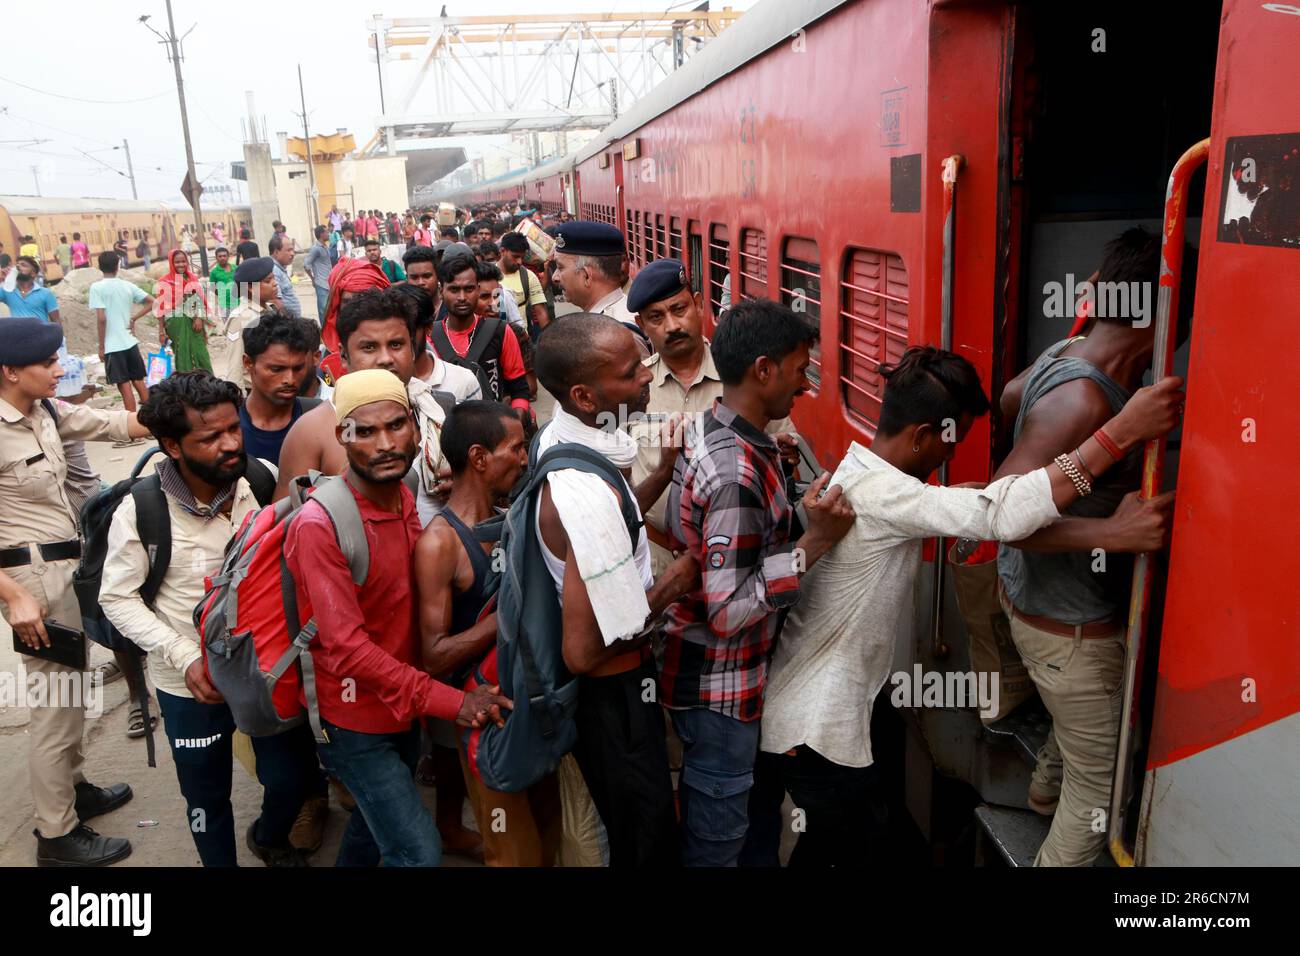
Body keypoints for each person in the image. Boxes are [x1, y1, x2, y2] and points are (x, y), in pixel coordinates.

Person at [760, 347, 1184, 866]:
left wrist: (971, 494)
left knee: (836, 844)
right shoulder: (888, 496)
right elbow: (1004, 518)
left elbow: (945, 501)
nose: (950, 453)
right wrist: (1119, 436)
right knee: (848, 848)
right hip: (816, 727)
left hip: (811, 719)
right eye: (949, 439)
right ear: (919, 435)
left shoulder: (861, 471)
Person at [994, 227, 1180, 867]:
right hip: (1070, 633)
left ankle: (1045, 787)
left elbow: (1010, 395)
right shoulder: (1085, 398)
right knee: (1098, 788)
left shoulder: (1069, 353)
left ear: (1100, 291)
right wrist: (1112, 531)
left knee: (1075, 738)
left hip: (1031, 603)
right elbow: (1001, 511)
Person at [283, 368, 511, 866]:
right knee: (417, 849)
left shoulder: (404, 494)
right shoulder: (320, 525)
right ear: (342, 437)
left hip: (402, 708)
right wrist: (453, 702)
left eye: (395, 425)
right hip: (352, 719)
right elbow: (346, 648)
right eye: (364, 431)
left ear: (415, 426)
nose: (384, 444)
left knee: (371, 828)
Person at [661, 298, 855, 867]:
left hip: (708, 679)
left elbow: (693, 533)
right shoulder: (736, 472)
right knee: (717, 848)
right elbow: (727, 612)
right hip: (720, 692)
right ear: (764, 369)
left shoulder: (716, 428)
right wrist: (813, 542)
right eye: (800, 369)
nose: (806, 383)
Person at [100, 370, 319, 867]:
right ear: (172, 446)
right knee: (206, 796)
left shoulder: (261, 480)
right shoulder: (142, 509)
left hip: (268, 672)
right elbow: (117, 599)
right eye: (211, 437)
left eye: (233, 429)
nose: (230, 445)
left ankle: (269, 836)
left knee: (291, 779)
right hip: (187, 684)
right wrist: (185, 659)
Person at [530, 313, 700, 866]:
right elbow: (581, 652)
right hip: (615, 700)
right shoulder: (585, 495)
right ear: (584, 393)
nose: (649, 377)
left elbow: (621, 521)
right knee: (645, 839)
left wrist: (666, 469)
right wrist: (672, 585)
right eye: (631, 372)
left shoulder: (565, 439)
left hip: (618, 696)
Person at [0, 318, 150, 865]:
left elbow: (113, 423)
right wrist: (14, 599)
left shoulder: (46, 411)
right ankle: (55, 834)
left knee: (71, 690)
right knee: (53, 706)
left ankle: (73, 787)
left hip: (64, 572)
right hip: (30, 581)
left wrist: (180, 416)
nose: (59, 369)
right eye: (47, 363)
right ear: (10, 371)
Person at [413, 401, 556, 866]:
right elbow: (433, 656)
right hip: (486, 718)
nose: (523, 458)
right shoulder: (440, 543)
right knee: (511, 850)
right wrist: (512, 613)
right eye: (514, 448)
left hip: (531, 703)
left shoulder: (512, 515)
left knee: (548, 833)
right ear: (478, 457)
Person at [626, 258, 799, 575]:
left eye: (679, 310)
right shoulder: (632, 390)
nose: (672, 326)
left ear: (698, 304)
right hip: (658, 556)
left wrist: (772, 450)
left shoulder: (746, 376)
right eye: (656, 317)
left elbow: (788, 455)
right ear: (641, 324)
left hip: (739, 557)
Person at [274, 287, 444, 509]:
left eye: (396, 345)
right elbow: (285, 525)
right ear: (344, 356)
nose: (385, 358)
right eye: (369, 347)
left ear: (413, 349)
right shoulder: (314, 431)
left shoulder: (435, 411)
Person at [428, 256, 530, 426]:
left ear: (477, 289)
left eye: (468, 289)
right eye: (454, 289)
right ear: (441, 292)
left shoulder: (501, 331)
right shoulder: (429, 337)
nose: (461, 297)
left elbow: (520, 390)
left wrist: (512, 427)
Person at [550, 221, 649, 357]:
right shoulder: (612, 320)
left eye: (561, 267)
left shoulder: (615, 335)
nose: (555, 277)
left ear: (586, 276)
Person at [238, 309, 319, 466]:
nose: (290, 380)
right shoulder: (228, 426)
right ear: (248, 363)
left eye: (298, 368)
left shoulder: (322, 419)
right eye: (276, 369)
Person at [89, 251, 153, 413]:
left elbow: (102, 319)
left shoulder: (97, 288)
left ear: (99, 267)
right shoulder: (127, 285)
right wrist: (134, 318)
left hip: (112, 345)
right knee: (139, 381)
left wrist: (101, 347)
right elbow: (153, 302)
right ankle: (153, 421)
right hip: (130, 341)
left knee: (124, 386)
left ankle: (132, 428)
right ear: (118, 265)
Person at [220, 256, 284, 390]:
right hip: (255, 391)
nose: (275, 283)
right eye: (268, 280)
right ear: (250, 287)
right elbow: (235, 364)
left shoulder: (270, 310)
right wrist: (238, 399)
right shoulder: (240, 318)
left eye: (273, 278)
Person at [154, 248, 213, 373]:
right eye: (177, 262)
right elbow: (160, 308)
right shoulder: (164, 281)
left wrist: (199, 317)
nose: (181, 264)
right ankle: (187, 386)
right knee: (182, 352)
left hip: (195, 321)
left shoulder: (192, 278)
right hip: (175, 323)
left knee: (200, 352)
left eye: (183, 261)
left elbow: (200, 299)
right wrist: (161, 331)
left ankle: (207, 383)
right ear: (171, 263)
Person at [498, 233, 549, 333]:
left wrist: (549, 341)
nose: (519, 262)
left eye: (522, 257)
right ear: (502, 251)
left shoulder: (528, 276)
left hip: (521, 340)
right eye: (515, 256)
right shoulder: (488, 276)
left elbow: (541, 312)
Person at [303, 226, 333, 322]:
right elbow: (306, 265)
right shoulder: (315, 249)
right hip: (321, 283)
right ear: (321, 234)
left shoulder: (325, 246)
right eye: (326, 232)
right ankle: (323, 333)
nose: (328, 234)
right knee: (322, 310)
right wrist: (313, 279)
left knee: (329, 310)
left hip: (328, 283)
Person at [268, 235, 302, 318]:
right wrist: (289, 323)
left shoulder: (280, 268)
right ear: (276, 252)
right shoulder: (274, 270)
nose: (292, 254)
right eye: (289, 250)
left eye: (292, 250)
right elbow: (275, 300)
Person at [207, 247, 237, 323]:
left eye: (224, 256)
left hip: (238, 302)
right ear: (216, 258)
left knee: (240, 325)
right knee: (228, 326)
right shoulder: (214, 272)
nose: (222, 258)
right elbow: (213, 288)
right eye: (220, 256)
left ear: (228, 256)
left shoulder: (235, 268)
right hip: (224, 304)